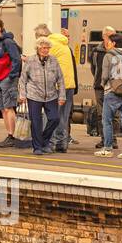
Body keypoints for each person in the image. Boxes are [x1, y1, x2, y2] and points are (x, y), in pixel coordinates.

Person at [19, 36, 66, 155]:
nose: (45, 50)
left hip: (51, 95)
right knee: (36, 122)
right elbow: (23, 79)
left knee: (54, 118)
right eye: (43, 48)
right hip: (34, 95)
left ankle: (44, 140)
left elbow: (60, 79)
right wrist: (22, 95)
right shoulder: (30, 61)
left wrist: (62, 96)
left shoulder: (53, 60)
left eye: (47, 48)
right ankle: (38, 147)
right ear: (38, 48)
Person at [37, 24, 78, 152]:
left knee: (51, 115)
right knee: (63, 116)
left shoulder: (50, 46)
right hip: (69, 85)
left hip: (57, 86)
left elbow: (40, 64)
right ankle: (61, 144)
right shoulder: (63, 45)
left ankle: (48, 143)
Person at [96, 31, 122, 159]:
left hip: (112, 92)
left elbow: (105, 75)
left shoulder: (109, 55)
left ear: (113, 43)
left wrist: (102, 84)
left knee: (106, 121)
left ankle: (107, 149)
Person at [0, 19, 23, 148]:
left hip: (6, 79)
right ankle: (9, 134)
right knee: (3, 108)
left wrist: (11, 76)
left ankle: (12, 136)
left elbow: (16, 60)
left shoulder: (8, 42)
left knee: (9, 107)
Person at [87, 26, 117, 138]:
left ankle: (112, 139)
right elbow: (93, 68)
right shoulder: (96, 51)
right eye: (109, 36)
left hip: (114, 87)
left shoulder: (117, 51)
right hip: (99, 86)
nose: (111, 38)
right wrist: (99, 79)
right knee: (101, 114)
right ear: (103, 36)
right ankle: (104, 139)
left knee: (113, 114)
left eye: (113, 36)